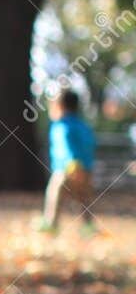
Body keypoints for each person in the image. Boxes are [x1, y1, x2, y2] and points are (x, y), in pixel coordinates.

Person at [39, 88, 97, 235]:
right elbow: (90, 144)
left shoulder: (61, 126)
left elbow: (67, 146)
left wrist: (74, 164)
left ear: (60, 107)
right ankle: (88, 226)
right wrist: (86, 165)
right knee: (84, 199)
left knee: (54, 194)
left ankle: (50, 223)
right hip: (86, 168)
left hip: (66, 169)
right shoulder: (83, 126)